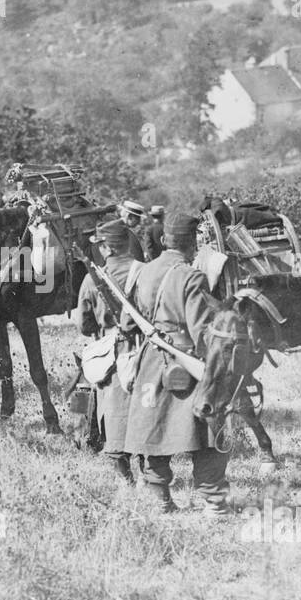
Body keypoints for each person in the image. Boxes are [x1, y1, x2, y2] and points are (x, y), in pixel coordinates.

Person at [120, 212, 231, 516]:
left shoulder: (142, 271)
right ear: (191, 242)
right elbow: (200, 330)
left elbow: (128, 322)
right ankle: (213, 502)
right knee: (208, 432)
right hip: (186, 363)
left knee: (153, 431)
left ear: (165, 240)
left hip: (150, 360)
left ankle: (160, 500)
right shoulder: (191, 276)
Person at [76, 218, 142, 485]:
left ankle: (125, 476)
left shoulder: (92, 280)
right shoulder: (145, 272)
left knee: (109, 411)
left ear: (106, 248)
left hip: (112, 355)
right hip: (146, 350)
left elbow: (84, 325)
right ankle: (151, 474)